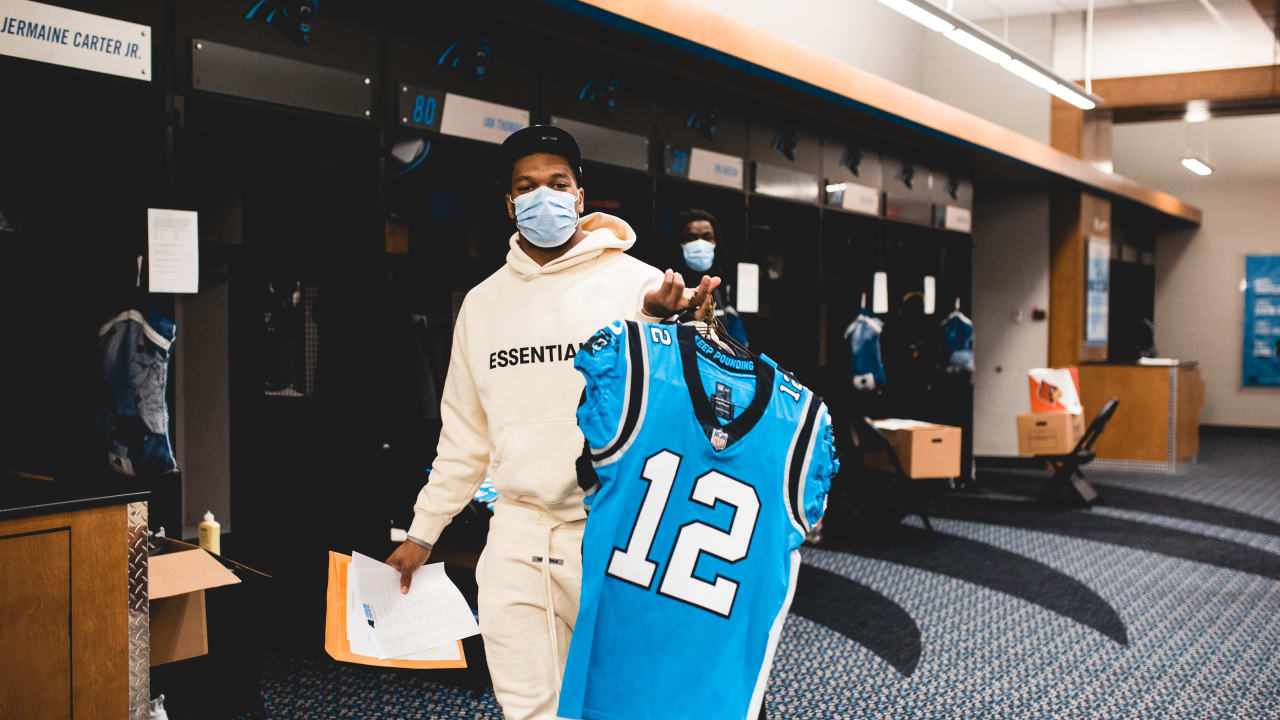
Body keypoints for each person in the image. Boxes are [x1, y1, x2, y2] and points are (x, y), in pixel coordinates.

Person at [385, 125, 719, 720]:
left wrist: (671, 328)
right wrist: (422, 533)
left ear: (580, 196)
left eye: (558, 183)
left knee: (619, 704)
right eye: (527, 186)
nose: (545, 196)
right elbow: (464, 437)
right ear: (510, 205)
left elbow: (689, 411)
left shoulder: (636, 284)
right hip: (513, 534)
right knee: (527, 708)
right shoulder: (482, 304)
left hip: (607, 533)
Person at [674, 208, 750, 348]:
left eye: (707, 237)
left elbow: (739, 346)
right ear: (680, 242)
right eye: (692, 238)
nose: (700, 243)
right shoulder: (670, 285)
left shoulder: (721, 286)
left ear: (715, 241)